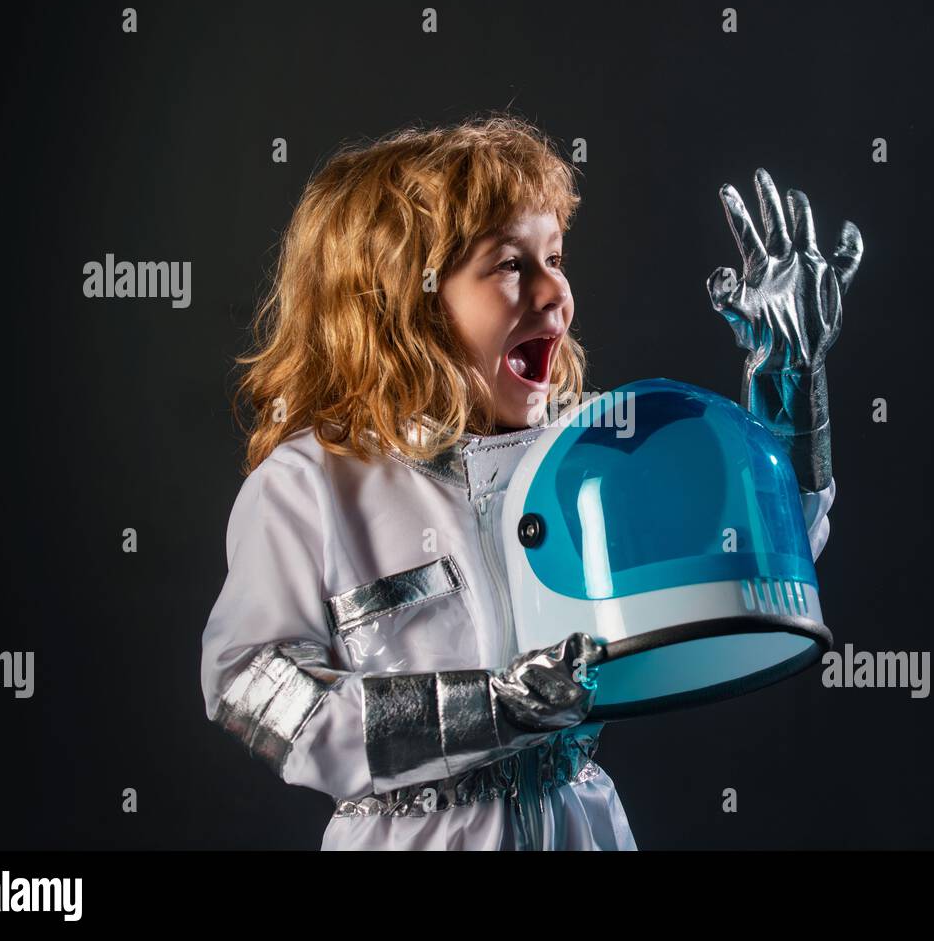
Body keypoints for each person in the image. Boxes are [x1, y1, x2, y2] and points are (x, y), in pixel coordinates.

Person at [199, 112, 860, 850]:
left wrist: (788, 385)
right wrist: (494, 707)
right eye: (512, 264)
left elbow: (756, 571)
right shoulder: (310, 486)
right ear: (399, 298)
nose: (556, 295)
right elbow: (255, 691)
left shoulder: (575, 459)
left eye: (556, 256)